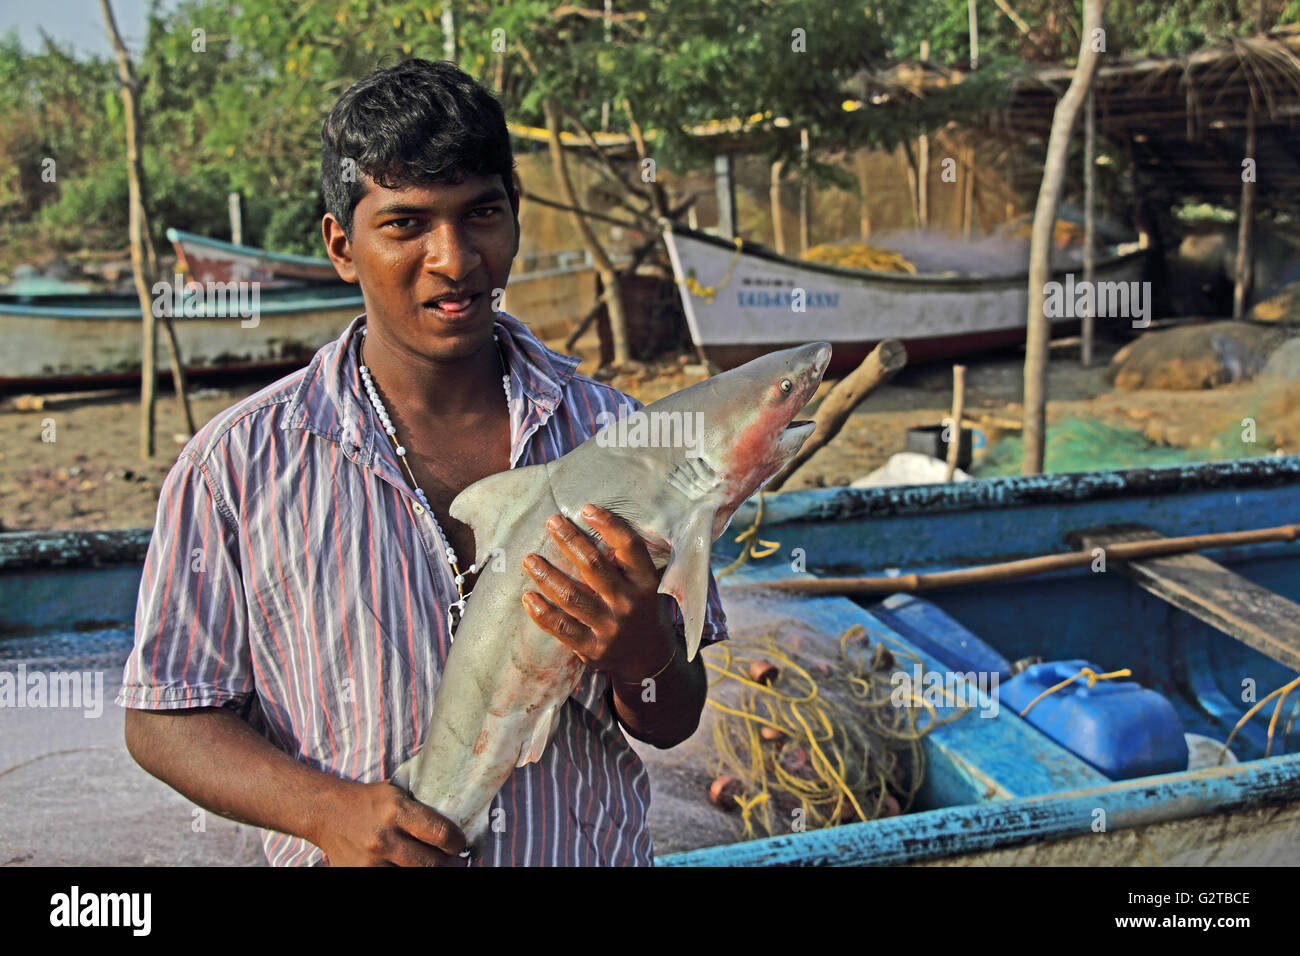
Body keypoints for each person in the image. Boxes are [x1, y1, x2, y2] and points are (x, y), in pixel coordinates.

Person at [118, 58, 727, 867]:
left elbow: (669, 718)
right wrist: (326, 812)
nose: (453, 258)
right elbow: (165, 714)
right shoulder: (235, 467)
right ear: (342, 246)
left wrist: (642, 652)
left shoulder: (624, 435)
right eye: (406, 223)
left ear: (514, 217)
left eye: (480, 213)